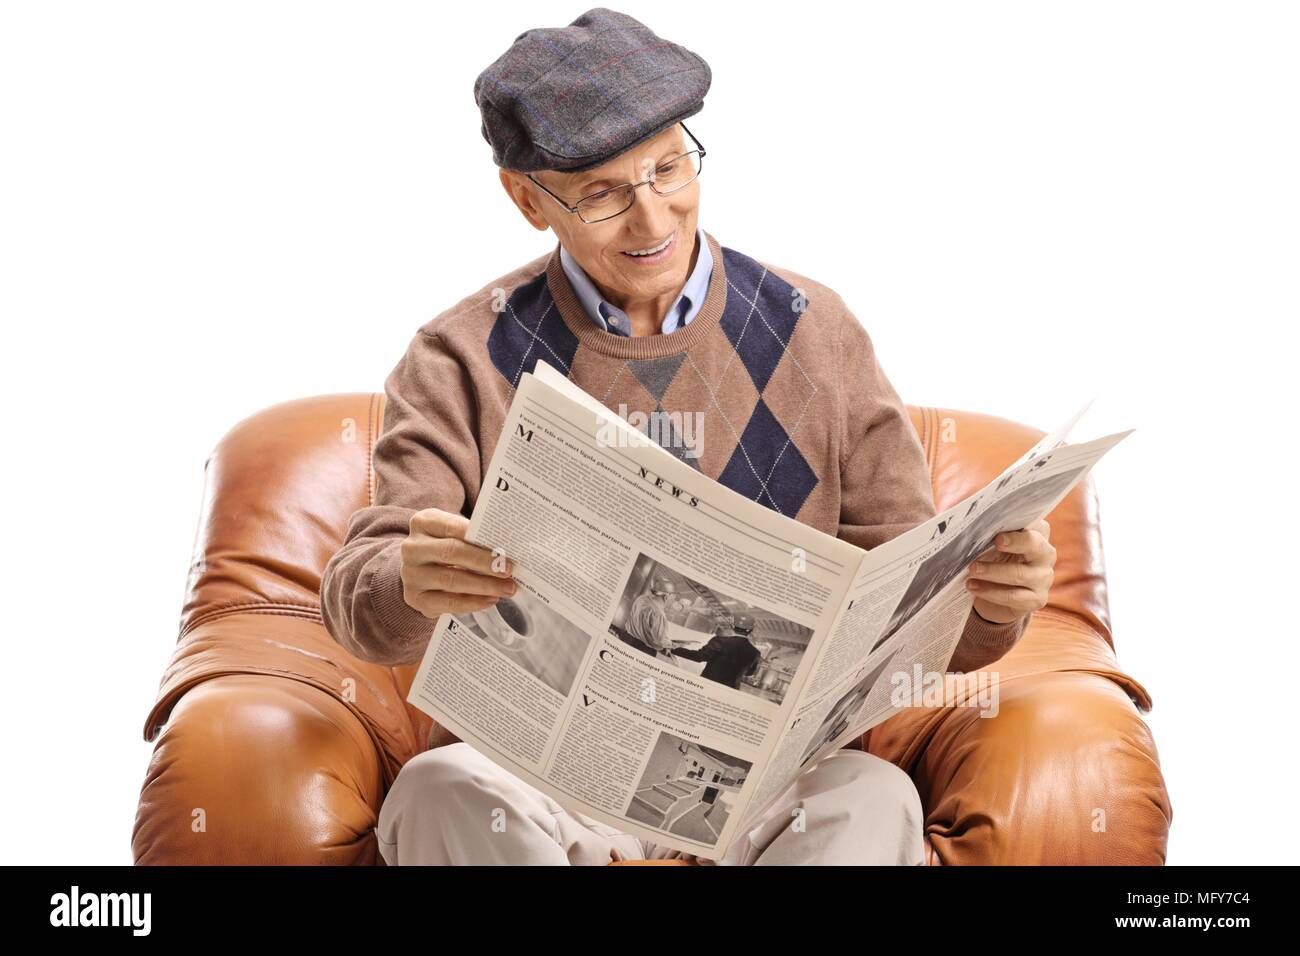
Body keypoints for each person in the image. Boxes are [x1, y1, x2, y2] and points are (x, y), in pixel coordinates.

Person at [320, 7, 1057, 866]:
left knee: (874, 797)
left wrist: (992, 604)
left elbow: (914, 614)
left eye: (670, 167)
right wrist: (406, 581)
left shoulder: (816, 332)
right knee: (438, 791)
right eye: (601, 193)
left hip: (765, 791)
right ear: (527, 200)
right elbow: (359, 599)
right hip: (546, 787)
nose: (652, 219)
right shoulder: (459, 355)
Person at [668, 613, 763, 690]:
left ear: (732, 625)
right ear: (751, 630)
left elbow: (699, 657)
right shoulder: (755, 653)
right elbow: (749, 673)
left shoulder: (720, 641)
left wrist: (673, 648)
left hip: (708, 685)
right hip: (730, 690)